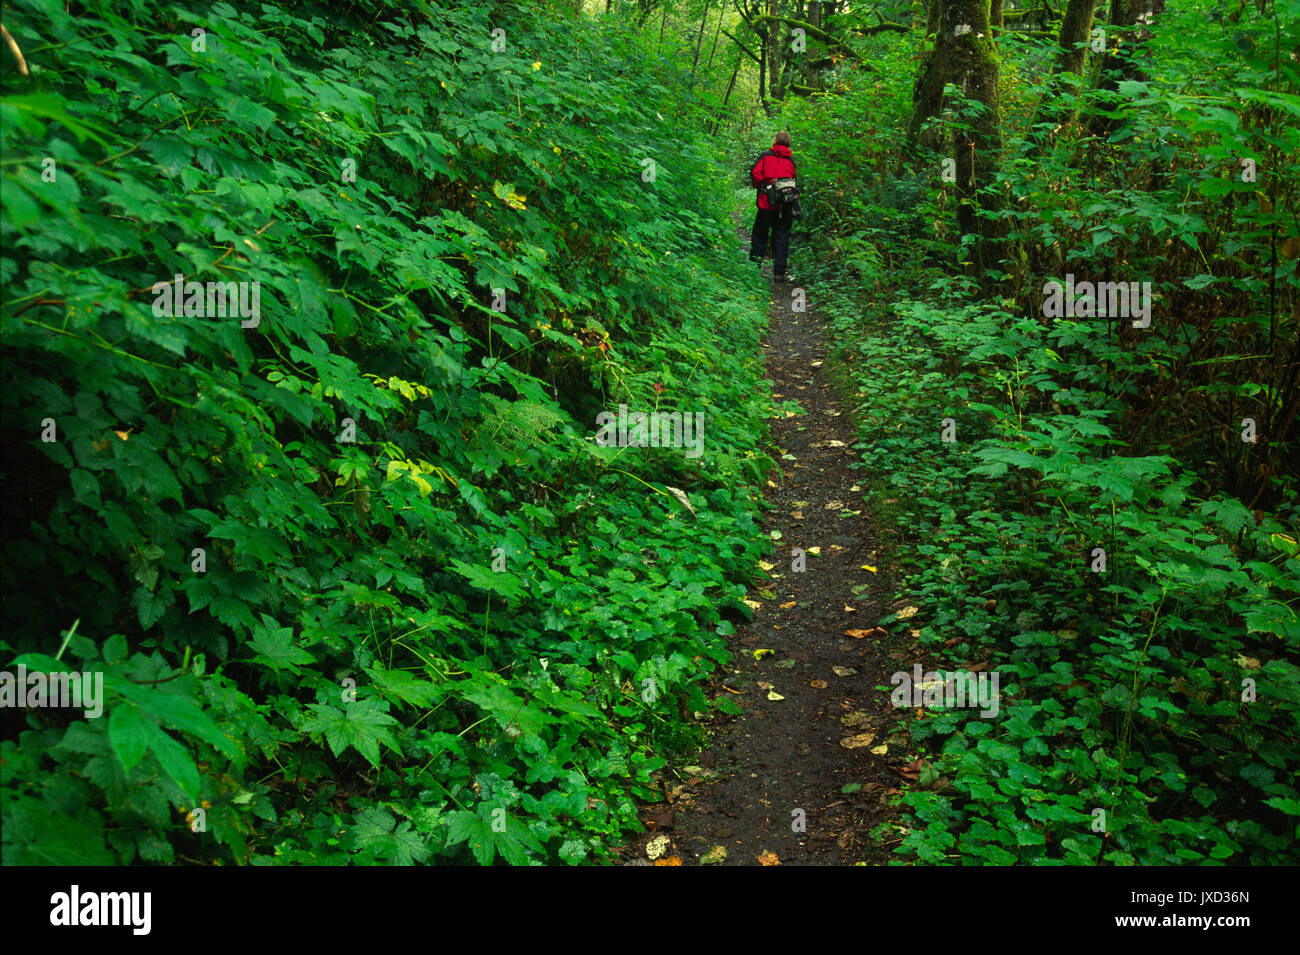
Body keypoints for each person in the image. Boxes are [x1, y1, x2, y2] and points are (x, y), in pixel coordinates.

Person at [748, 131, 800, 281]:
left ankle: (754, 267)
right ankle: (779, 273)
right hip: (786, 206)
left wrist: (760, 185)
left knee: (759, 235)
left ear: (775, 140)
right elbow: (794, 181)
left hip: (766, 203)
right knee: (782, 237)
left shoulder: (765, 156)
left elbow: (755, 174)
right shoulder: (790, 160)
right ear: (788, 143)